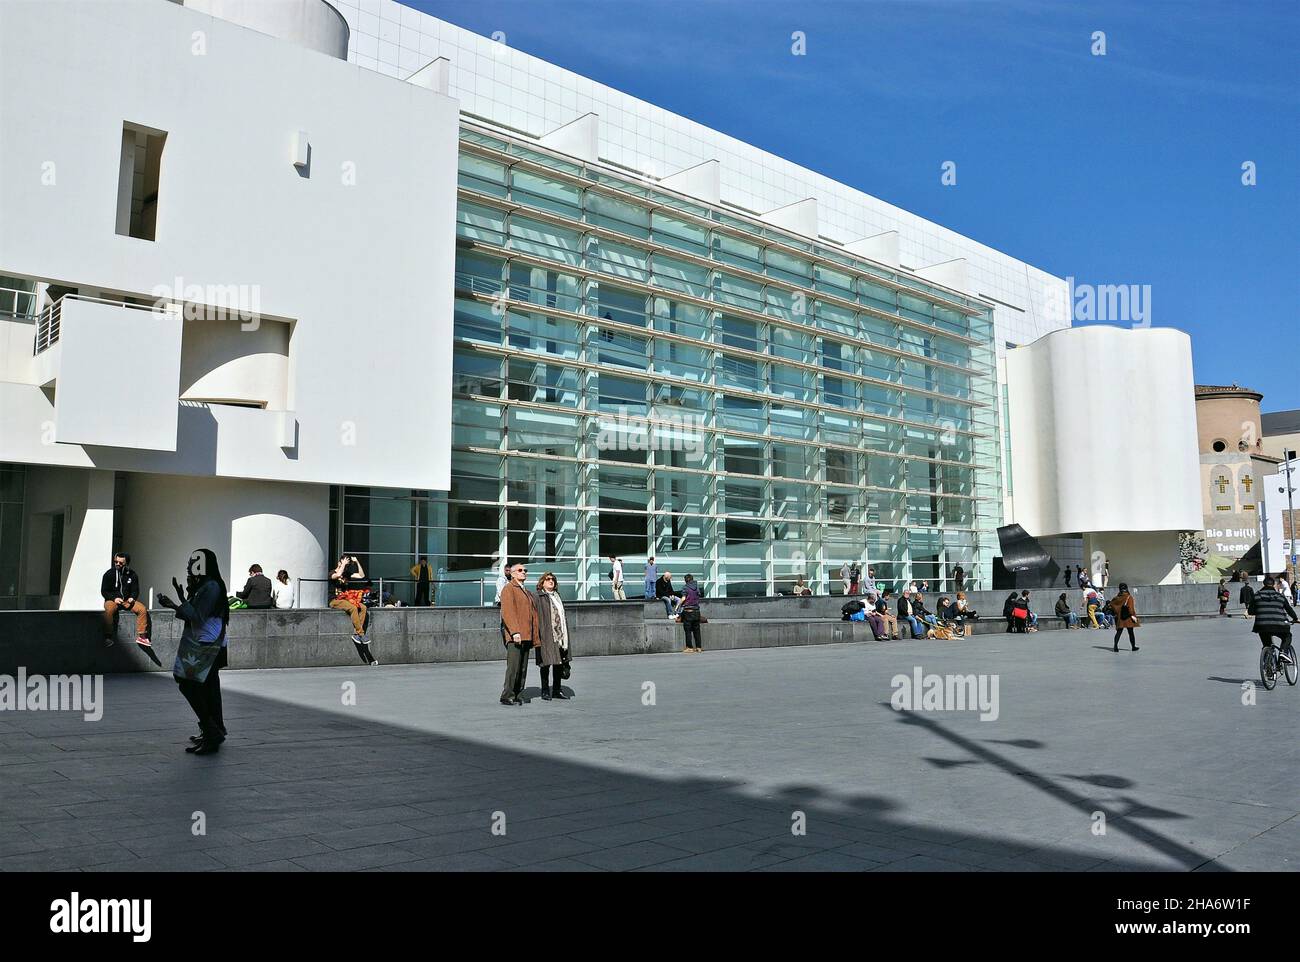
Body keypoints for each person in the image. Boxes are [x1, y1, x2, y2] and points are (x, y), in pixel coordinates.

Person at [159, 548, 229, 756]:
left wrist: (174, 604)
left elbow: (197, 615)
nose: (189, 566)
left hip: (206, 645)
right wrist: (183, 595)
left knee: (189, 683)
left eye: (194, 562)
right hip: (207, 643)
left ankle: (211, 731)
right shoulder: (209, 585)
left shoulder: (211, 586)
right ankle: (213, 730)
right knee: (207, 688)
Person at [499, 561, 538, 705]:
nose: (524, 572)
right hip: (515, 635)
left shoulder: (525, 591)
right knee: (513, 667)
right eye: (520, 570)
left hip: (526, 634)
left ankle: (518, 693)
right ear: (513, 573)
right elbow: (507, 612)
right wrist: (515, 632)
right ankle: (507, 695)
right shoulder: (509, 589)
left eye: (525, 570)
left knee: (522, 667)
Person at [100, 552, 152, 655]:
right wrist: (114, 598)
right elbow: (104, 591)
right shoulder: (109, 574)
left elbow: (135, 590)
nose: (117, 564)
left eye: (121, 563)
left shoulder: (132, 575)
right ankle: (108, 637)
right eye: (116, 562)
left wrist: (132, 598)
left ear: (126, 563)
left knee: (142, 609)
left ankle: (142, 636)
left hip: (127, 600)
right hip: (112, 600)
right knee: (109, 610)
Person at [533, 572, 571, 701]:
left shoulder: (557, 596)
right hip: (545, 634)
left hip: (560, 635)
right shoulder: (538, 596)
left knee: (558, 663)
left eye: (553, 579)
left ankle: (556, 690)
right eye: (548, 579)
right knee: (545, 663)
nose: (551, 581)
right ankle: (545, 691)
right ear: (542, 582)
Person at [1248, 575, 1299, 657]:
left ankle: (1267, 659)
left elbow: (1250, 611)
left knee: (1266, 644)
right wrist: (1295, 618)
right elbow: (1289, 609)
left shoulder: (1256, 595)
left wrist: (1260, 611)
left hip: (1262, 626)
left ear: (1263, 584)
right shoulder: (1280, 596)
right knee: (1287, 636)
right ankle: (1283, 653)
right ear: (1273, 584)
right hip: (1280, 624)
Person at [330, 582, 376, 665]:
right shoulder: (334, 577)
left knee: (363, 607)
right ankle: (360, 634)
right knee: (353, 608)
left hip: (346, 598)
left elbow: (360, 576)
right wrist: (340, 573)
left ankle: (357, 634)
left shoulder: (346, 579)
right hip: (335, 600)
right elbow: (335, 576)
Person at [1108, 583, 1140, 652]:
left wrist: (1116, 612)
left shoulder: (1117, 597)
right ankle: (1133, 647)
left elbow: (1111, 604)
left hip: (1120, 617)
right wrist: (1132, 615)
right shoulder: (1129, 597)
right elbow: (1130, 608)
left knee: (1119, 632)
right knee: (1131, 632)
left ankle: (1115, 646)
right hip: (1128, 617)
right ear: (1126, 588)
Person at [677, 574, 704, 652]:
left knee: (688, 630)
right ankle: (699, 647)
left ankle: (689, 647)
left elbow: (683, 598)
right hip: (697, 611)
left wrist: (678, 605)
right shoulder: (697, 587)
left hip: (688, 611)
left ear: (686, 580)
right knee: (697, 630)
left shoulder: (685, 587)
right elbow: (698, 595)